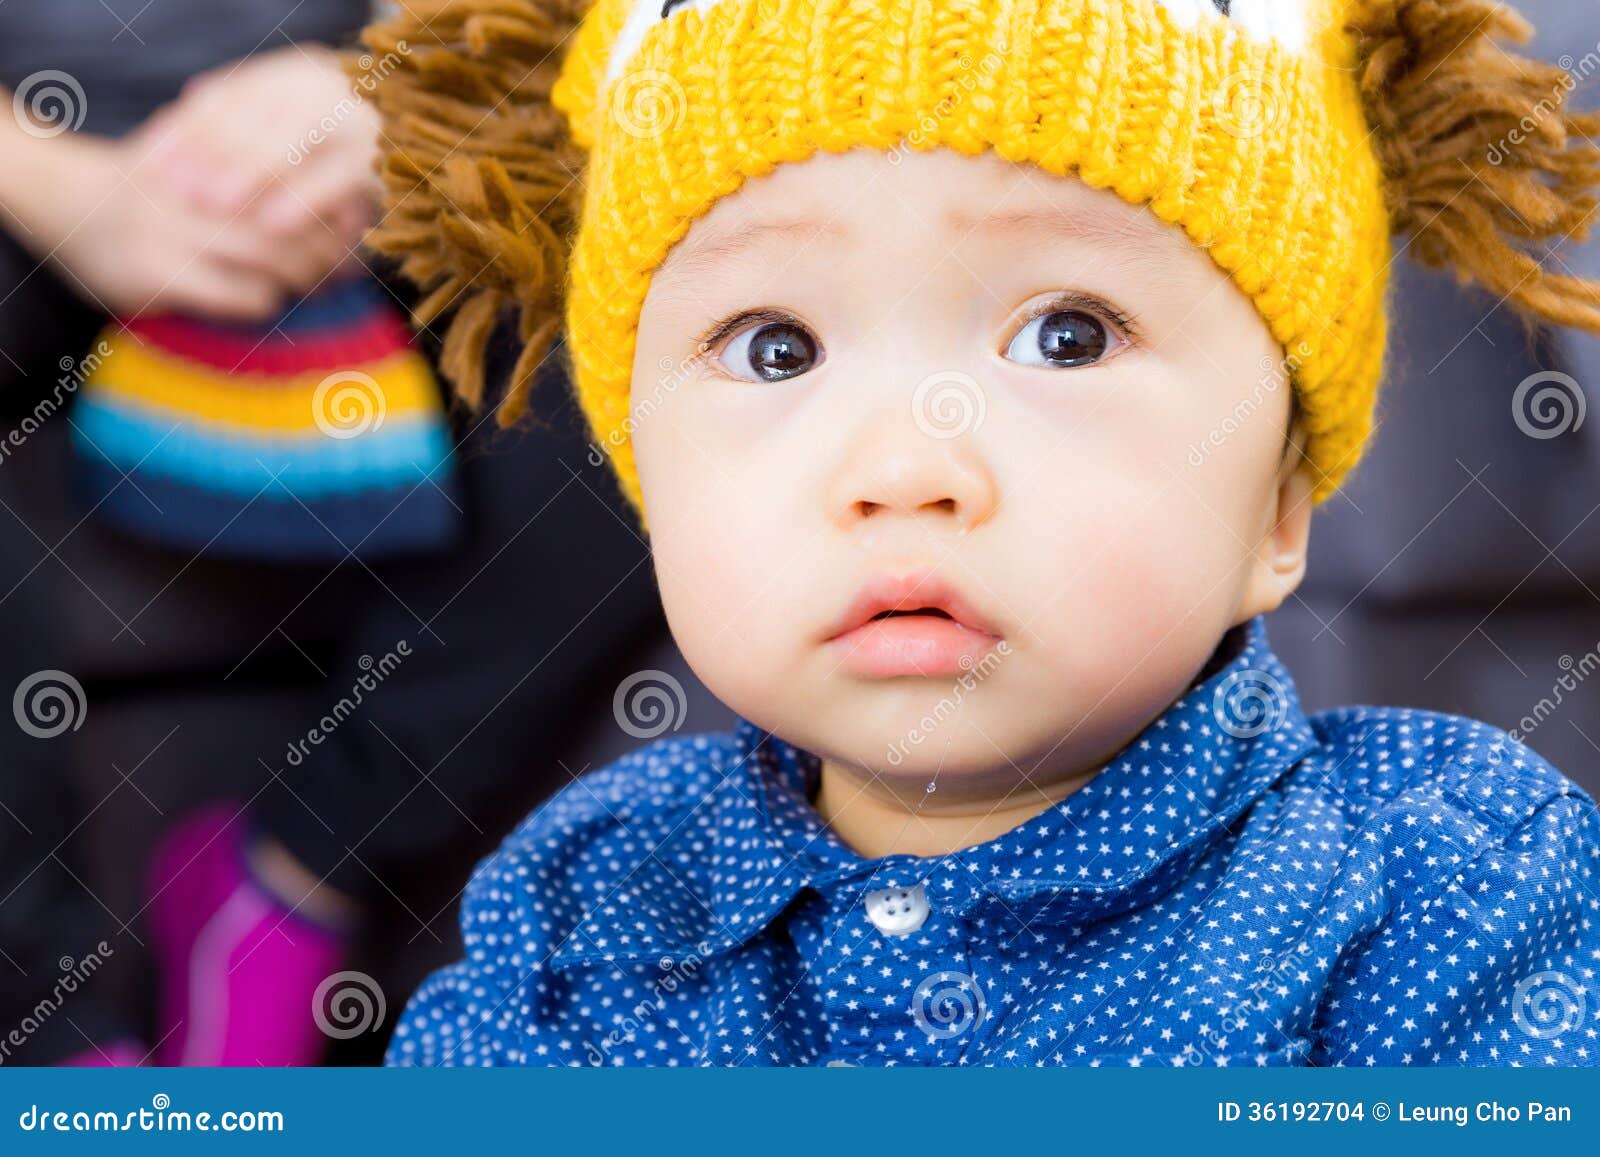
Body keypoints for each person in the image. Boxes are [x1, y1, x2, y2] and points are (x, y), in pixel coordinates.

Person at [368, 0, 1600, 1067]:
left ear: (1276, 512)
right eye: (773, 348)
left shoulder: (1448, 884)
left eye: (1067, 334)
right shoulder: (587, 912)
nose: (904, 466)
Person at [0, 3, 670, 1066]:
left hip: (385, 129)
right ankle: (48, 1048)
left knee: (664, 348)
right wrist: (62, 190)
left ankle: (279, 889)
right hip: (30, 174)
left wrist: (399, 81)